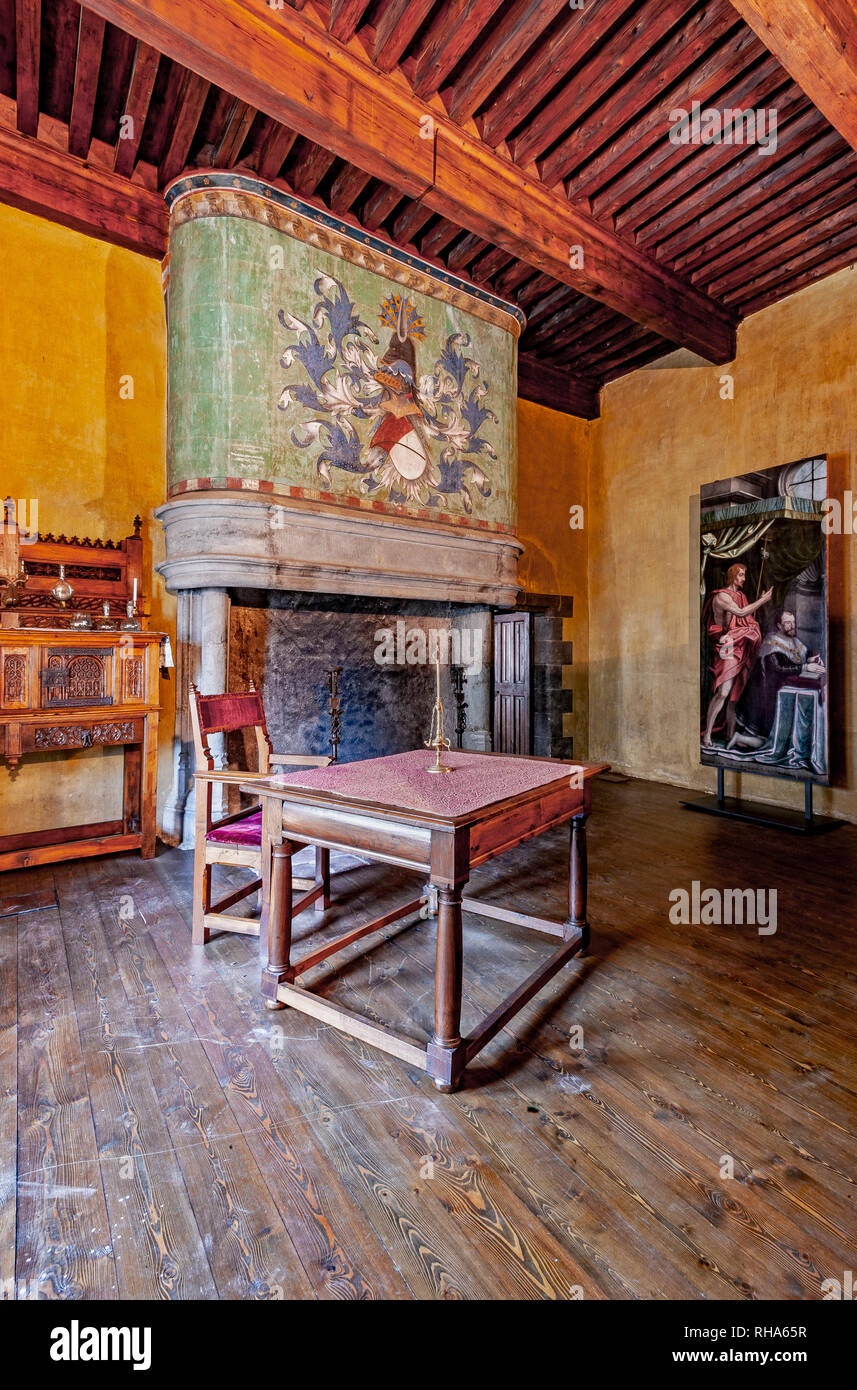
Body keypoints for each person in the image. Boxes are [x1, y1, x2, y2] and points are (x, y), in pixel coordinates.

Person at [726, 610, 826, 750]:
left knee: (770, 742)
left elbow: (801, 655)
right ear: (779, 625)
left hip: (779, 694)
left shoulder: (794, 640)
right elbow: (780, 668)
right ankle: (740, 738)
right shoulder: (771, 643)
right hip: (765, 700)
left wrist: (811, 658)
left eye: (793, 622)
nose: (792, 626)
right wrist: (806, 666)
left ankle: (741, 739)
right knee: (768, 743)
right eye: (787, 623)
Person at [702, 562, 773, 748]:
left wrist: (751, 628)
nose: (743, 578)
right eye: (741, 575)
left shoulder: (741, 595)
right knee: (723, 692)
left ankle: (730, 734)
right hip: (727, 646)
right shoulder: (722, 596)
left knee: (735, 694)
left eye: (744, 575)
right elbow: (741, 612)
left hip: (740, 646)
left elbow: (745, 619)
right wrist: (763, 600)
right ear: (733, 575)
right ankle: (707, 734)